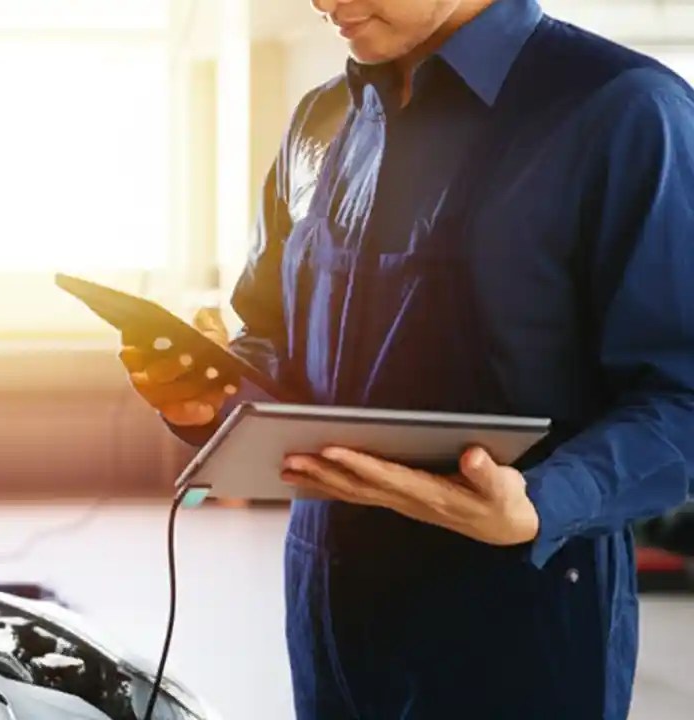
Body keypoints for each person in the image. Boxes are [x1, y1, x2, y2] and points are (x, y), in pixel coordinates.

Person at [121, 0, 694, 717]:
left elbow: (681, 397)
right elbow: (271, 337)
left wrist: (543, 503)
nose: (323, 1)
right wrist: (210, 396)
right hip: (330, 601)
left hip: (521, 609)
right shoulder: (321, 120)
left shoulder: (625, 112)